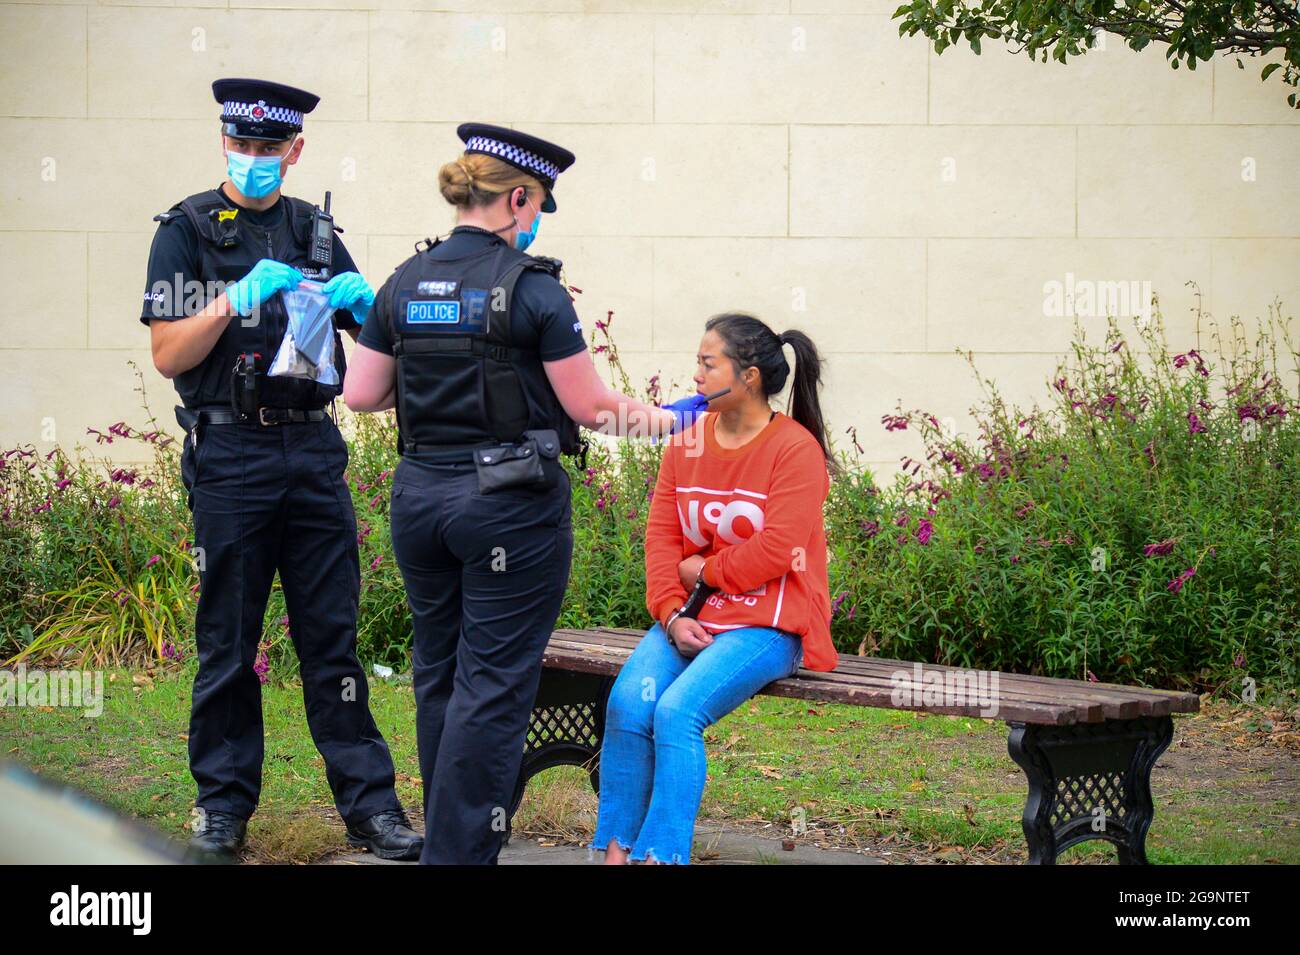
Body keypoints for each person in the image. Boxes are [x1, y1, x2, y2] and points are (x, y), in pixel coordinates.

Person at [343, 123, 709, 864]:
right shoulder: (532, 288)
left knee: (439, 675)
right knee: (494, 687)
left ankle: (449, 845)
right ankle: (459, 856)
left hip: (420, 502)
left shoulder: (402, 283)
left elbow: (361, 393)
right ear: (516, 198)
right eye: (539, 201)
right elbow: (592, 407)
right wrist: (674, 421)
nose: (538, 216)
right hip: (508, 510)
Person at [141, 77, 420, 861]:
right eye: (244, 145)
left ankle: (372, 807)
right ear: (225, 143)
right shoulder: (187, 229)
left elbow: (375, 365)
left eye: (271, 148)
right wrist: (233, 299)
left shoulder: (319, 233)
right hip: (231, 452)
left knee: (331, 639)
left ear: (296, 151)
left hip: (312, 449)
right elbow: (167, 355)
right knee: (228, 640)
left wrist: (370, 311)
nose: (256, 158)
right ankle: (222, 807)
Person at [590, 313, 841, 865]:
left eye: (709, 364)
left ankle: (660, 858)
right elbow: (661, 537)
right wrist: (671, 612)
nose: (697, 375)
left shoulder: (794, 450)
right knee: (631, 703)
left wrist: (703, 572)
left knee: (676, 712)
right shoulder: (687, 442)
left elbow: (778, 550)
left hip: (773, 622)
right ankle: (614, 854)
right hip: (693, 614)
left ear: (749, 376)